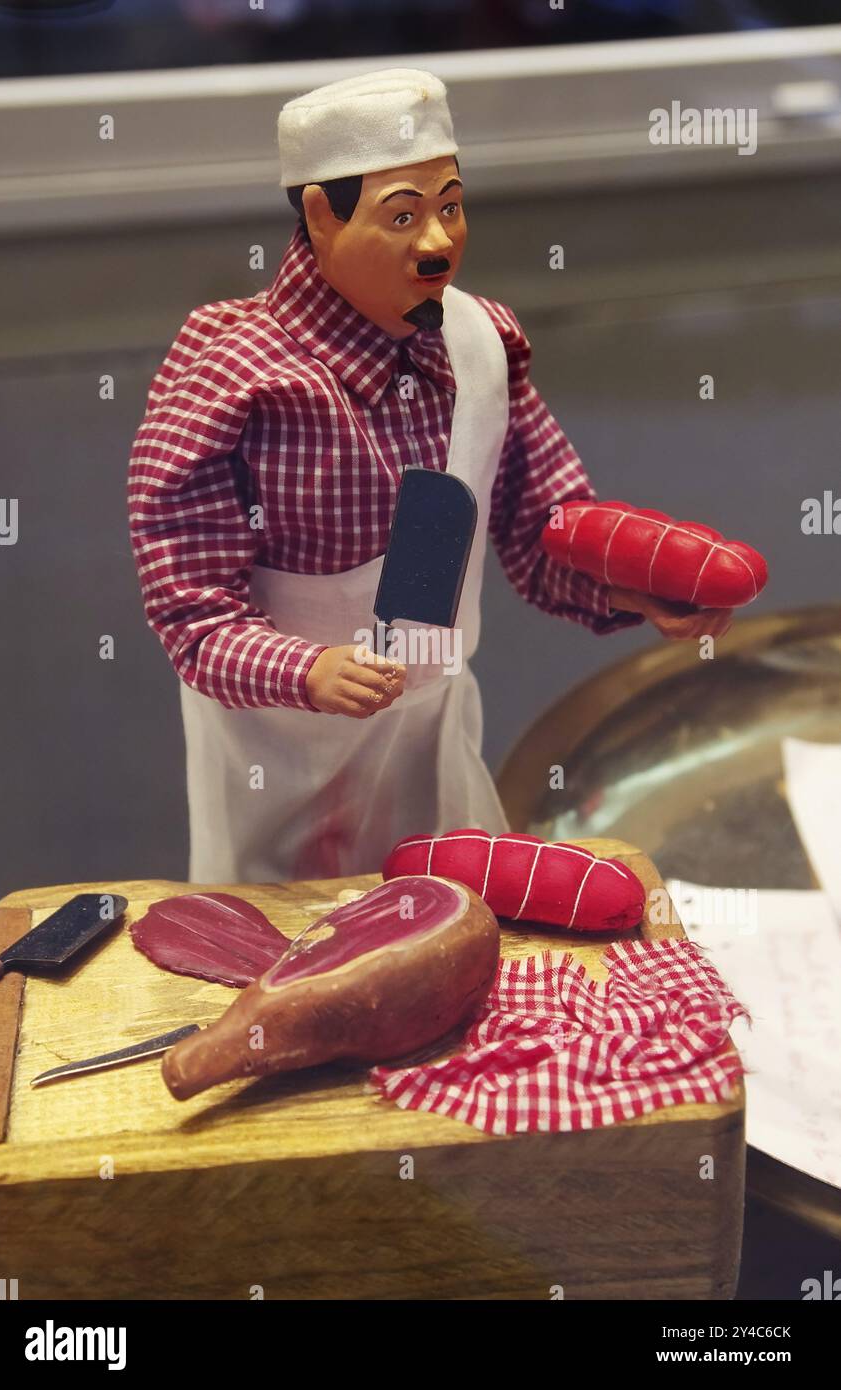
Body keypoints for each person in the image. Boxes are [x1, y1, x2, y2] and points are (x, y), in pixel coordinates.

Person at [128, 68, 733, 884]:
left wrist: (628, 589)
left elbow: (537, 524)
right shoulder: (236, 378)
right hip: (276, 749)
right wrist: (307, 668)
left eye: (450, 207)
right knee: (290, 945)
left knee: (446, 911)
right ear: (319, 214)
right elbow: (189, 610)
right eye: (403, 216)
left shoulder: (481, 343)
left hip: (429, 727)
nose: (438, 241)